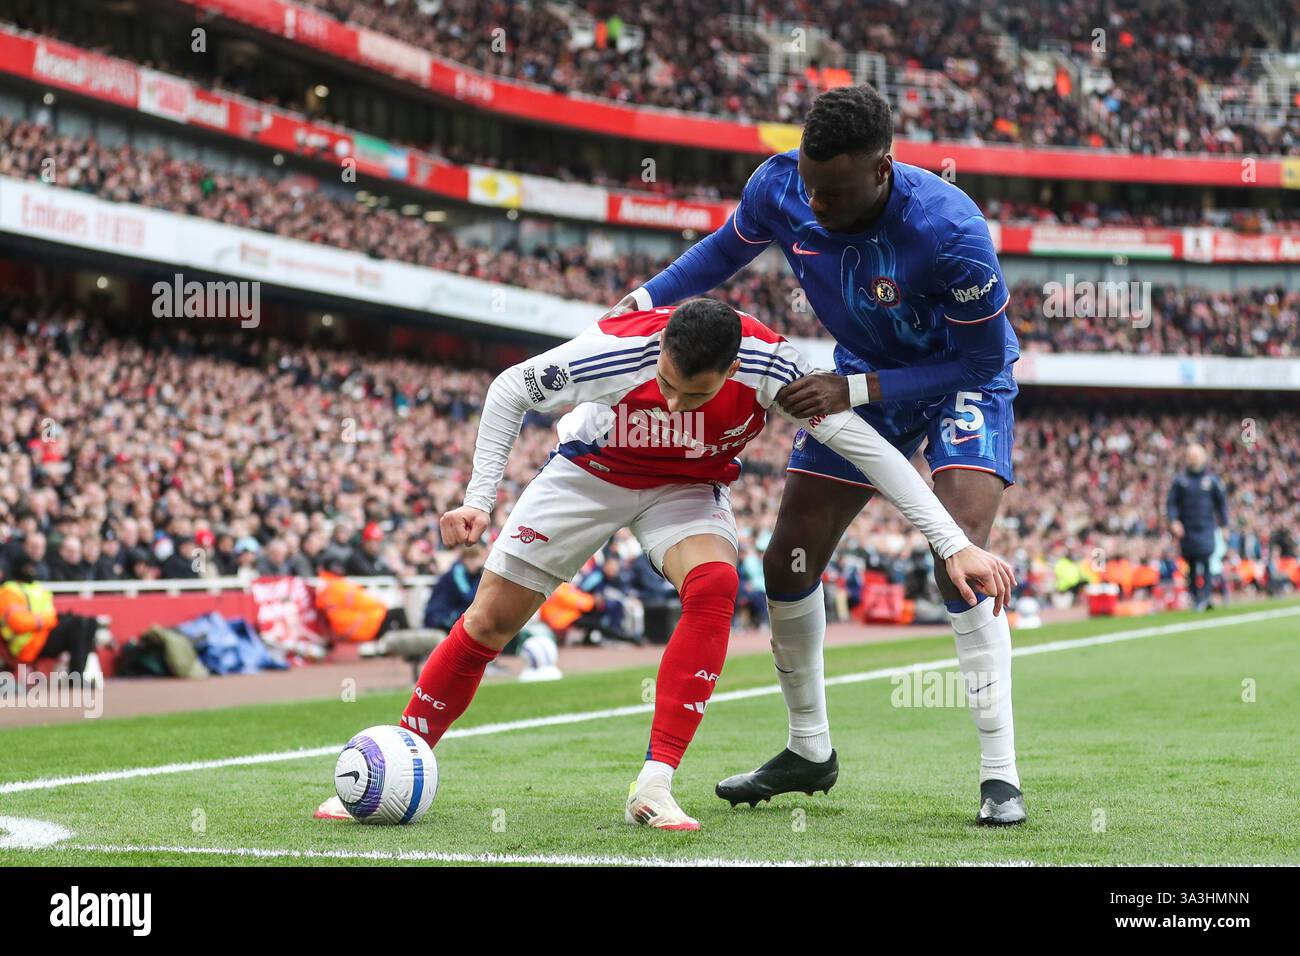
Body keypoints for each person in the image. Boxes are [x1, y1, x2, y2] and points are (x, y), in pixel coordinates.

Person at [315, 298, 1013, 830]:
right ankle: (395, 760)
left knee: (715, 584)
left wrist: (952, 540)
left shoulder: (774, 367)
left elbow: (867, 450)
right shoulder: (612, 354)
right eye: (667, 384)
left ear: (733, 370)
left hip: (685, 489)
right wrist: (477, 499)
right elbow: (508, 390)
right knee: (490, 623)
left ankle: (654, 782)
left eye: (694, 393)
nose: (674, 401)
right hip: (589, 472)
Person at [605, 85, 1028, 825]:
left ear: (883, 170)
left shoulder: (951, 231)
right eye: (807, 182)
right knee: (787, 560)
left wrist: (857, 388)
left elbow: (980, 359)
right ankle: (809, 749)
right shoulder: (781, 186)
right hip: (856, 378)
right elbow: (723, 252)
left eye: (832, 192)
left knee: (953, 560)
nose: (814, 203)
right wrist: (639, 303)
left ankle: (1001, 774)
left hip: (951, 383)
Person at [1167, 443, 1228, 611]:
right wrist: (1174, 521)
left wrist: (1225, 525)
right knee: (1191, 563)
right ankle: (1195, 596)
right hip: (1187, 528)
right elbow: (1171, 504)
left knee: (1207, 560)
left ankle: (1206, 596)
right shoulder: (1180, 481)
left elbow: (1221, 504)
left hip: (1206, 527)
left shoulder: (1212, 481)